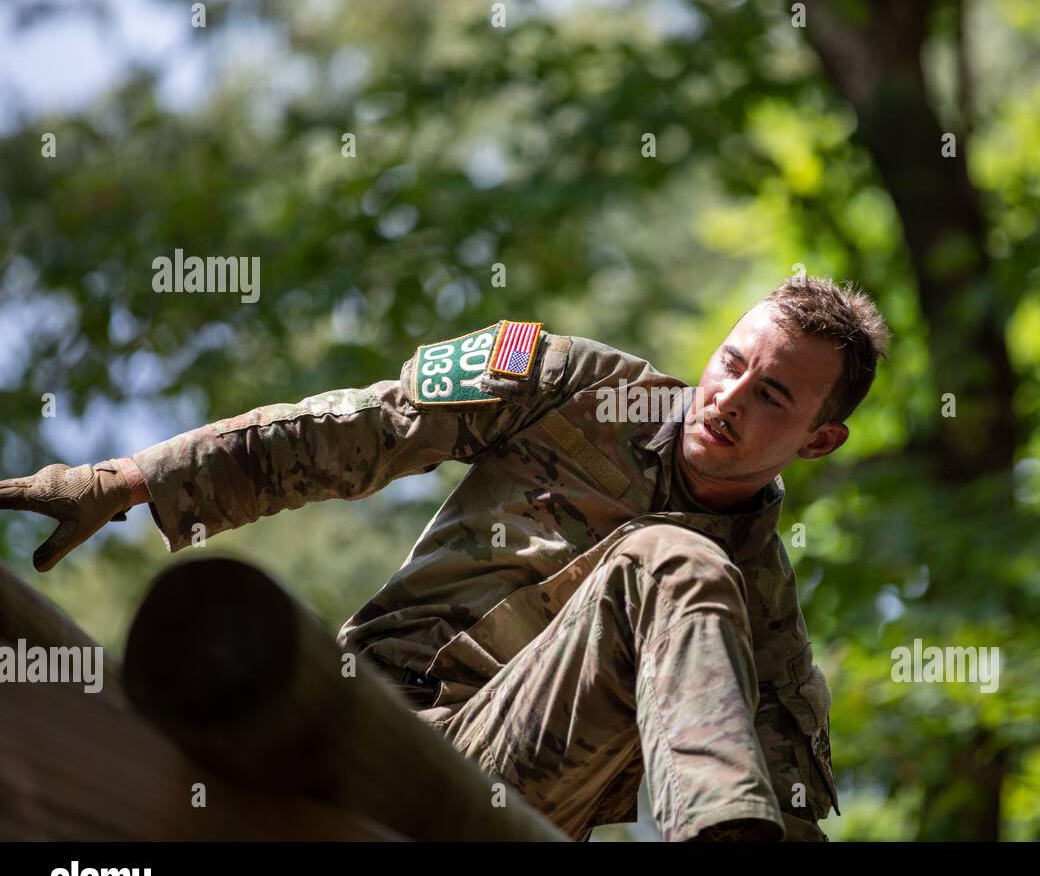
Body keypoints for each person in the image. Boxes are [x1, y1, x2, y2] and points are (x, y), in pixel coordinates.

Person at [0, 276, 889, 842]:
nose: (726, 399)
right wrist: (132, 478)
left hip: (509, 794)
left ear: (818, 441)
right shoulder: (576, 388)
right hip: (359, 718)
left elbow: (789, 814)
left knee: (676, 564)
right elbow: (363, 430)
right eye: (729, 362)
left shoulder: (761, 621)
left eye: (771, 395)